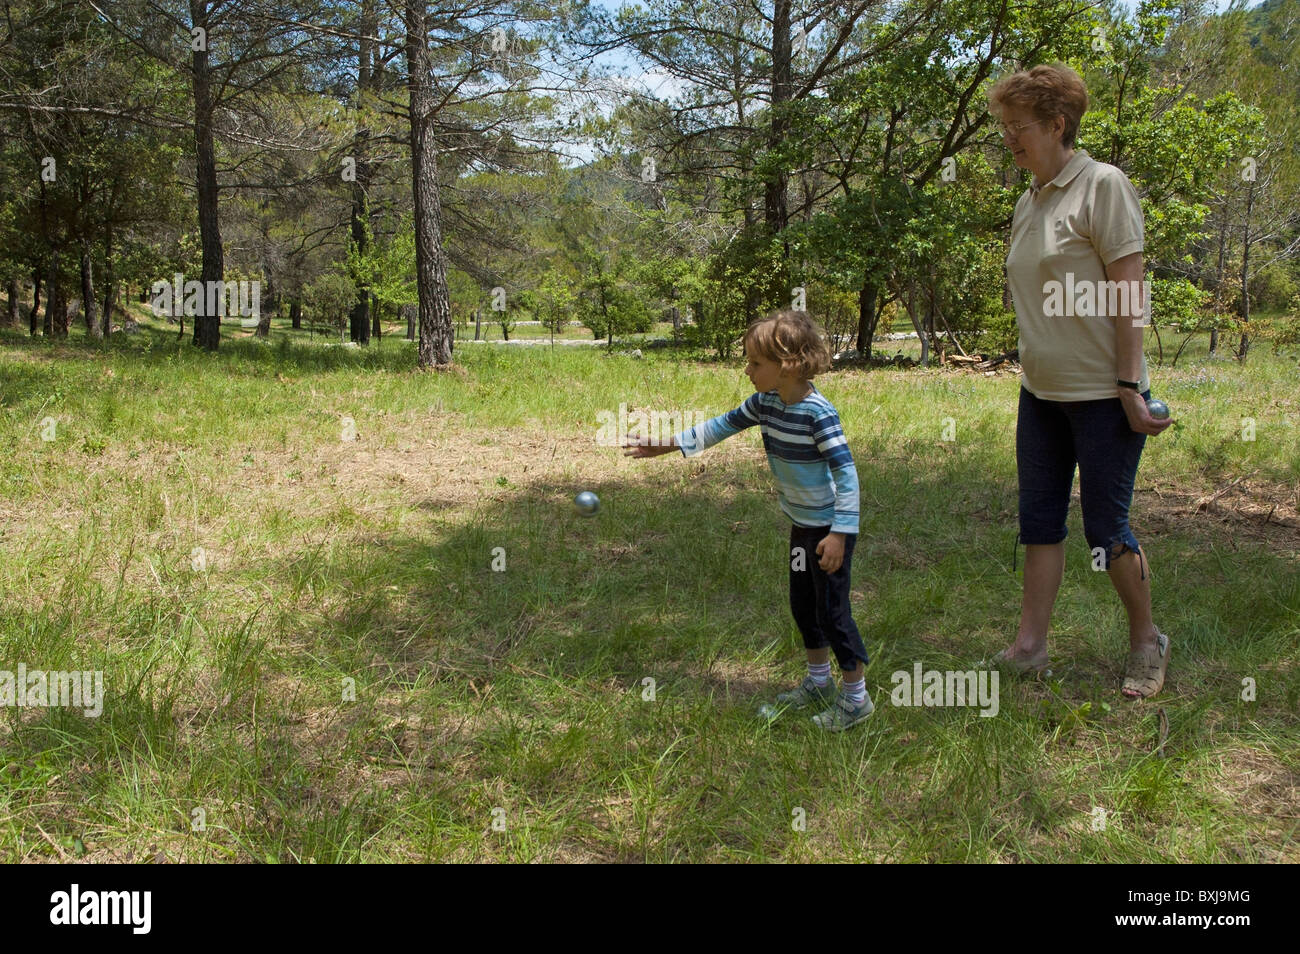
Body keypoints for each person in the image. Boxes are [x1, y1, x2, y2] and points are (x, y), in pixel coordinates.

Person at [987, 63, 1174, 698]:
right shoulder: (1028, 199)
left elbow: (1131, 295)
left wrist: (1130, 385)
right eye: (1005, 127)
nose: (1008, 139)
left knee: (1107, 530)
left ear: (1057, 124)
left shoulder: (1103, 185)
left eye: (1018, 128)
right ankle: (1031, 646)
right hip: (1040, 394)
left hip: (1103, 396)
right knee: (1038, 521)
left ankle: (1147, 641)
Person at [623, 310, 872, 730]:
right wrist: (667, 445)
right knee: (803, 605)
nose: (747, 370)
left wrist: (841, 534)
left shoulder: (818, 413)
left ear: (788, 364)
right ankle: (818, 682)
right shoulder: (766, 403)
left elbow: (846, 473)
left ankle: (856, 699)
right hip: (800, 529)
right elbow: (720, 426)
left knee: (833, 612)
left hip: (828, 533)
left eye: (755, 363)